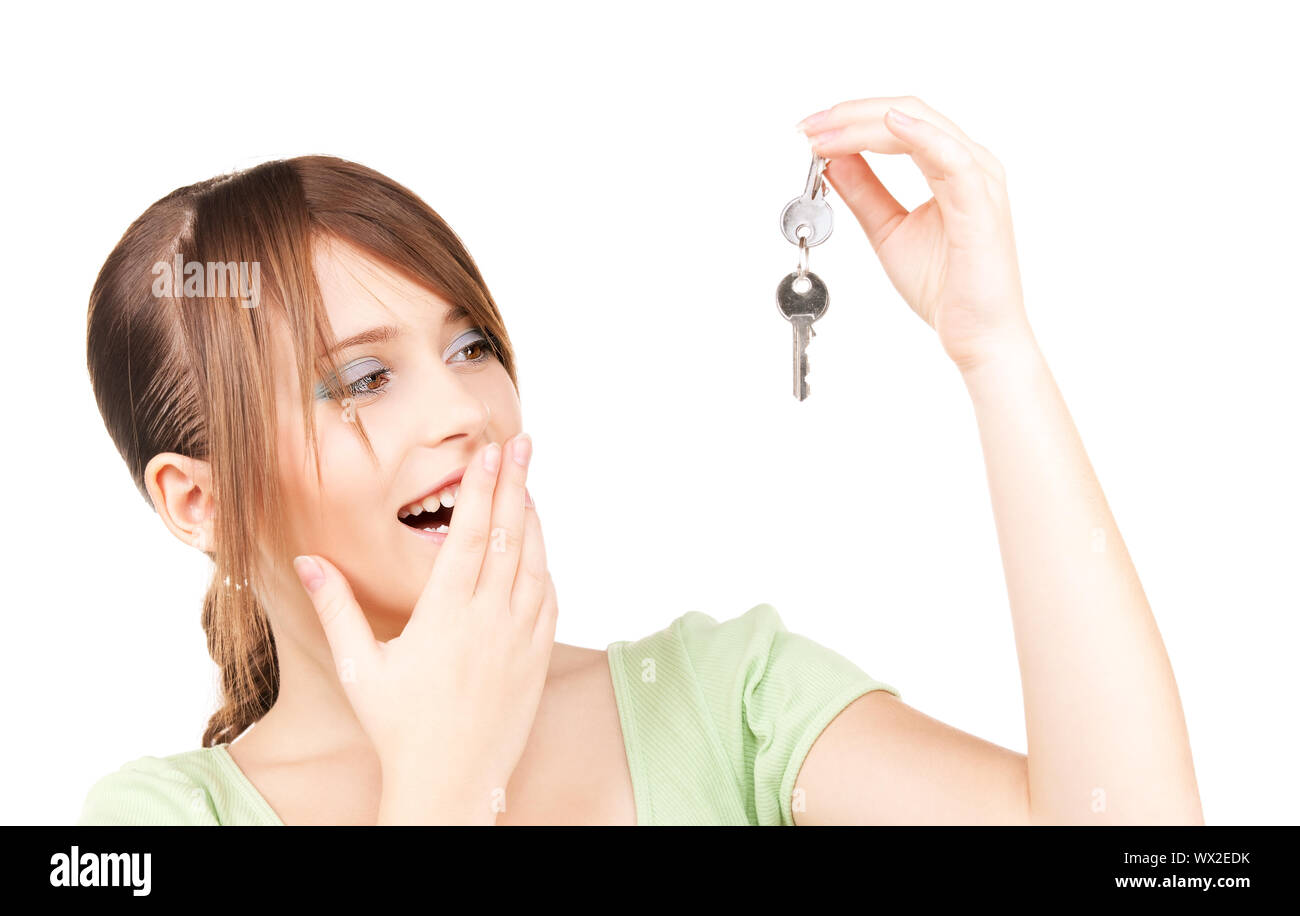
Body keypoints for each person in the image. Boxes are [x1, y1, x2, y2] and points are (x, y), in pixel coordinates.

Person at [76, 96, 1204, 825]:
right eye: (362, 379)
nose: (466, 411)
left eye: (470, 346)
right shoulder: (151, 826)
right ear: (201, 501)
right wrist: (441, 791)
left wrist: (993, 348)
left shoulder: (721, 700)